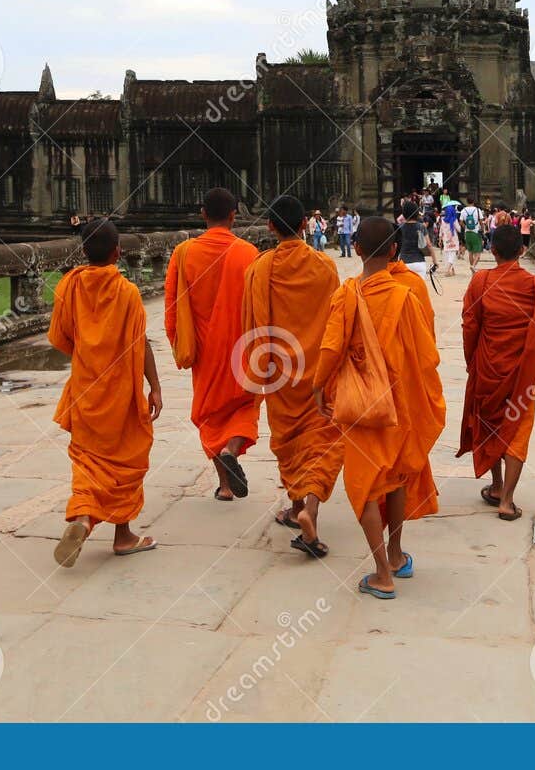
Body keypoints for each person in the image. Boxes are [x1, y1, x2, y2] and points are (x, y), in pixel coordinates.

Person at [313, 218, 444, 600]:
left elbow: (331, 348)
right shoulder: (406, 296)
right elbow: (426, 356)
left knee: (366, 487)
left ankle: (382, 574)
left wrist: (320, 385)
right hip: (397, 406)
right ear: (393, 251)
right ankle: (396, 553)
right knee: (396, 477)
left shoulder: (347, 294)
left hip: (361, 407)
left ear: (355, 249)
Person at [49, 216, 162, 565]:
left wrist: (88, 354)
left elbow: (61, 337)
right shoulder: (127, 292)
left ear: (83, 251)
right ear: (117, 252)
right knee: (124, 460)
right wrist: (155, 387)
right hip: (121, 393)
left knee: (87, 459)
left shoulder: (68, 286)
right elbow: (140, 344)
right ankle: (123, 536)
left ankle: (83, 516)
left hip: (86, 388)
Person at [241, 195, 342, 558]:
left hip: (280, 371)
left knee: (288, 442)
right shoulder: (326, 267)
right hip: (318, 372)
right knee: (322, 441)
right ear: (305, 226)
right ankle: (309, 511)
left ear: (270, 226)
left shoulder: (258, 268)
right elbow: (337, 321)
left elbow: (251, 325)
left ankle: (296, 505)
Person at [459, 224, 535, 522]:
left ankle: (496, 485)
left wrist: (472, 359)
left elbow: (470, 325)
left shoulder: (481, 282)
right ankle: (506, 500)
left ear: (492, 251)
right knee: (516, 431)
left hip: (488, 367)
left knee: (490, 425)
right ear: (522, 250)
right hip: (522, 372)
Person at [164, 187, 260, 501]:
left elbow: (172, 307)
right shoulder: (248, 253)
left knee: (212, 415)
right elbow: (259, 305)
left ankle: (225, 486)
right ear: (234, 216)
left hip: (205, 351)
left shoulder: (184, 252)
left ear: (203, 215)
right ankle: (233, 449)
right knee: (244, 405)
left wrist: (179, 342)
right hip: (241, 350)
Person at [459, 197, 485, 269]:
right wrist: (482, 230)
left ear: (467, 202)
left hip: (467, 233)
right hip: (476, 232)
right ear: (473, 202)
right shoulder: (477, 210)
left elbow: (460, 222)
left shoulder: (463, 210)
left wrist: (466, 227)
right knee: (478, 253)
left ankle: (472, 268)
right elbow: (481, 222)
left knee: (470, 252)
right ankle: (473, 266)